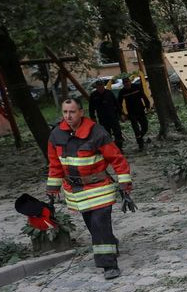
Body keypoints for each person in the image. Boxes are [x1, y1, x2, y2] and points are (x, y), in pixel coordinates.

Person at [46, 98, 133, 280]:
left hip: (99, 187)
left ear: (81, 112)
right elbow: (55, 164)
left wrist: (125, 184)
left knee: (99, 224)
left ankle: (109, 264)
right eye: (65, 112)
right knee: (93, 226)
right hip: (76, 191)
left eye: (72, 112)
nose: (68, 116)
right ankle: (110, 242)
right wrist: (53, 189)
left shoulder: (97, 133)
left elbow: (117, 159)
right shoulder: (56, 135)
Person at [89, 79, 124, 151]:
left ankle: (119, 149)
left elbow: (116, 104)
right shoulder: (93, 95)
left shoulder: (109, 93)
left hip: (113, 117)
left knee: (118, 133)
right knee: (106, 135)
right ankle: (111, 150)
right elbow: (91, 108)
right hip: (102, 119)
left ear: (103, 86)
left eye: (101, 85)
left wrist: (121, 114)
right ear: (96, 87)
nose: (100, 87)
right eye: (98, 86)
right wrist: (93, 117)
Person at [117, 78, 151, 151]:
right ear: (123, 84)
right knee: (136, 129)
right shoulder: (122, 92)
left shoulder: (136, 87)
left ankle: (140, 137)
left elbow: (144, 96)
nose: (127, 84)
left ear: (130, 82)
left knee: (145, 126)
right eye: (125, 83)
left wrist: (147, 106)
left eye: (128, 82)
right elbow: (119, 103)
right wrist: (121, 113)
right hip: (131, 113)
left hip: (140, 110)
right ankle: (140, 144)